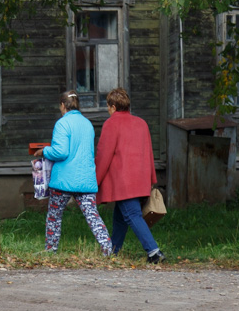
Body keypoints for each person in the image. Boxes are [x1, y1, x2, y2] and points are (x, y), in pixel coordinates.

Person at [34, 90, 112, 255]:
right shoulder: (87, 124)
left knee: (54, 216)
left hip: (64, 179)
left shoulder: (62, 124)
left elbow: (61, 152)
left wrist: (44, 151)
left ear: (63, 105)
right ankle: (107, 248)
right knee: (93, 216)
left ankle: (50, 250)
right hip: (85, 180)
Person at [95, 87, 165, 264]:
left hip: (123, 182)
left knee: (132, 215)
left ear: (112, 106)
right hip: (140, 179)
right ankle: (113, 252)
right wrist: (151, 179)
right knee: (120, 217)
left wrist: (94, 181)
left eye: (108, 107)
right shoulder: (141, 123)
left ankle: (154, 252)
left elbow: (104, 155)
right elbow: (149, 153)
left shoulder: (111, 124)